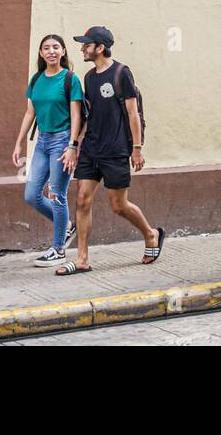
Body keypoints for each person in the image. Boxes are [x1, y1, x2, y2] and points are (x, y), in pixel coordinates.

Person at [55, 26, 163, 275]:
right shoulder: (89, 77)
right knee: (82, 200)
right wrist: (76, 145)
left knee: (118, 205)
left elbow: (132, 113)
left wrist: (137, 148)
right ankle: (82, 259)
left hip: (115, 149)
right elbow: (89, 115)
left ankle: (150, 233)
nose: (82, 48)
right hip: (92, 148)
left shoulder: (121, 73)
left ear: (100, 47)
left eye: (87, 44)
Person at [12, 34, 84, 267]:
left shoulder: (70, 79)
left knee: (56, 195)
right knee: (31, 195)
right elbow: (30, 113)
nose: (51, 51)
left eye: (56, 47)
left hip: (62, 141)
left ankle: (58, 250)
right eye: (46, 48)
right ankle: (67, 226)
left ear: (63, 51)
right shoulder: (36, 80)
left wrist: (73, 146)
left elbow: (76, 115)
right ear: (41, 53)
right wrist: (19, 142)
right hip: (42, 141)